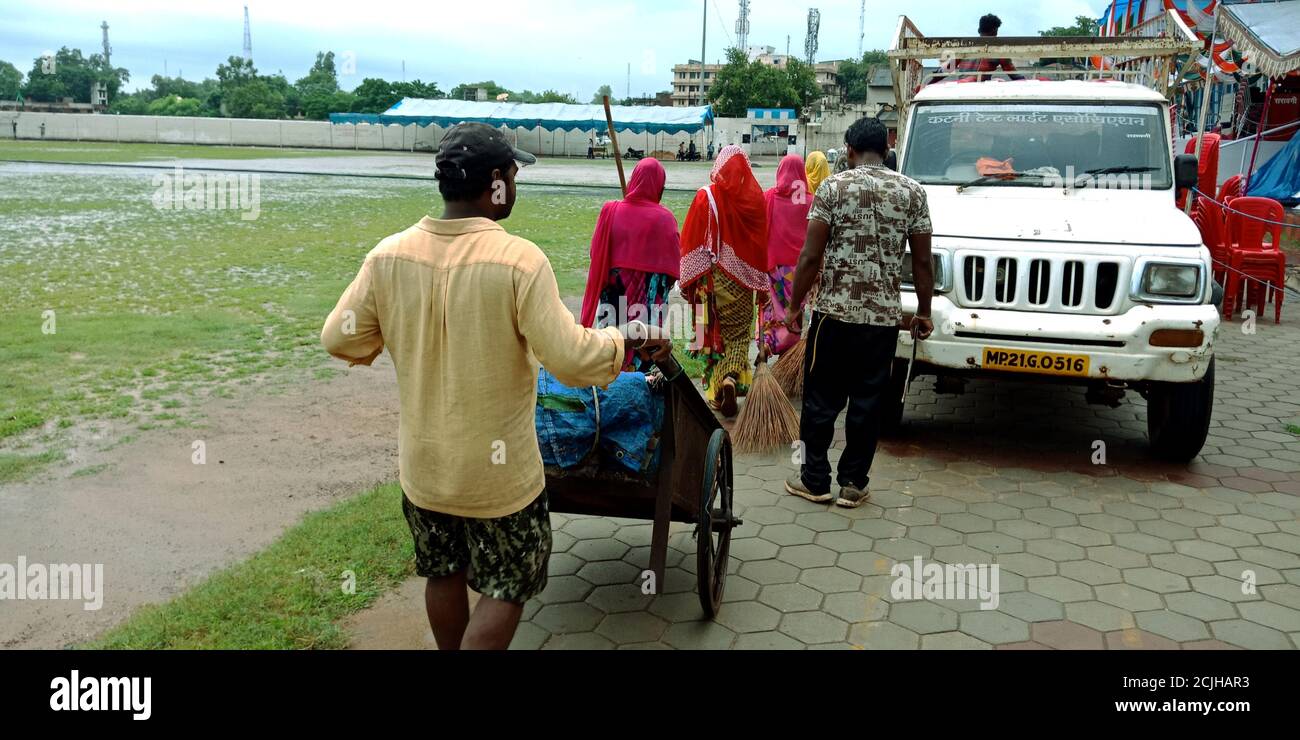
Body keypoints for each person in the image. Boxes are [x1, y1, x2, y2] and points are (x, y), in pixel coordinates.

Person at [321, 122, 671, 650]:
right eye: (512, 173)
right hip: (500, 477)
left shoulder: (388, 256)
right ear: (495, 184)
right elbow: (574, 359)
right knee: (508, 583)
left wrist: (397, 331)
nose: (516, 183)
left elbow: (338, 338)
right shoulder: (518, 261)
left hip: (425, 470)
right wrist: (629, 335)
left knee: (443, 571)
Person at [784, 117, 934, 509]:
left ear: (849, 150)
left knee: (820, 401)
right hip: (882, 322)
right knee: (868, 403)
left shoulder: (833, 188)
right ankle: (853, 483)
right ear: (886, 150)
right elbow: (921, 263)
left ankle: (814, 481)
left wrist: (794, 307)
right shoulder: (912, 192)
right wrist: (924, 312)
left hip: (833, 318)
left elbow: (810, 256)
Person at [679, 144, 769, 418]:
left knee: (713, 336)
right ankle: (730, 378)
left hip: (710, 282)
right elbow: (760, 244)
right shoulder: (755, 202)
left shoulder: (704, 197)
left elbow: (690, 239)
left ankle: (718, 390)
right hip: (742, 282)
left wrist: (688, 281)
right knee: (739, 335)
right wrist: (761, 281)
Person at [580, 157, 681, 371]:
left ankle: (611, 385)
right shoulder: (666, 219)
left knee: (612, 345)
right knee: (648, 346)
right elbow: (672, 272)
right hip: (649, 301)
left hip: (615, 296)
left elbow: (595, 253)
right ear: (659, 188)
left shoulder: (610, 211)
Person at [759, 154, 812, 357]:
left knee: (773, 310)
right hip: (802, 270)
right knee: (796, 309)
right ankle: (790, 351)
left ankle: (768, 344)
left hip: (774, 267)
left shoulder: (769, 197)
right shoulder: (810, 201)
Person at [935, 14, 1025, 83]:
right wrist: (1031, 83)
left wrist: (927, 84)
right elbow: (1014, 75)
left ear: (979, 30)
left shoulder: (966, 47)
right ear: (995, 31)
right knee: (999, 81)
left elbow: (946, 69)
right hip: (981, 94)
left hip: (962, 90)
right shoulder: (998, 51)